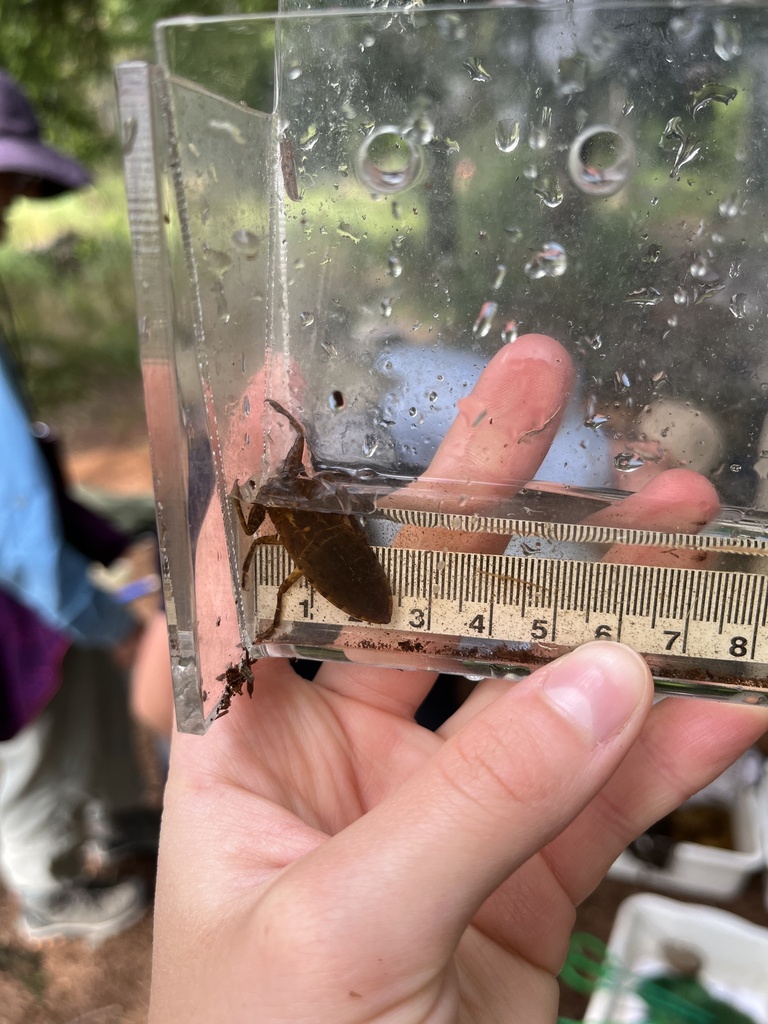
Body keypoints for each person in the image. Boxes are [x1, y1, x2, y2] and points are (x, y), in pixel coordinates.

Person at [148, 334, 768, 1021]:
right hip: (351, 580)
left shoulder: (300, 503)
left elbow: (294, 497)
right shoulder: (314, 495)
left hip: (346, 579)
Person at [0, 68, 156, 943]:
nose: (12, 206)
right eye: (5, 187)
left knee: (81, 689)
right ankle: (52, 897)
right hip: (15, 604)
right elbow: (15, 529)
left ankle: (122, 825)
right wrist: (101, 612)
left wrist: (116, 517)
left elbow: (22, 471)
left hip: (36, 583)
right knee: (30, 745)